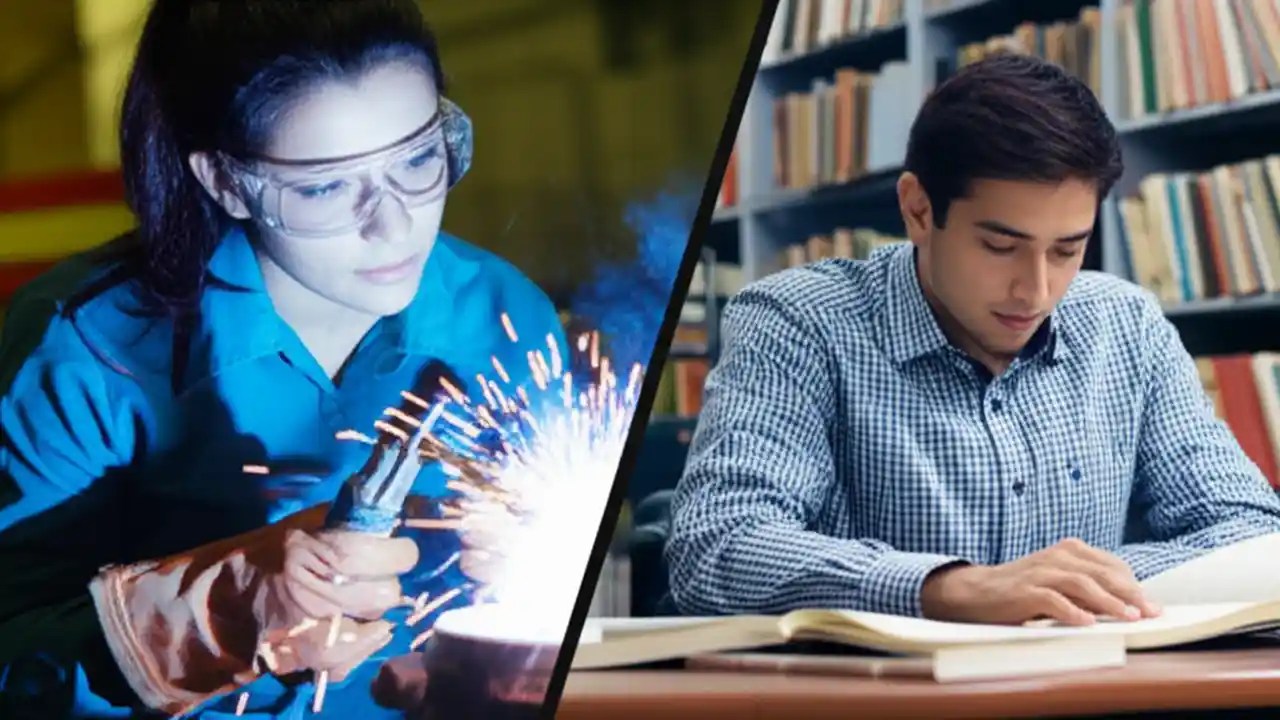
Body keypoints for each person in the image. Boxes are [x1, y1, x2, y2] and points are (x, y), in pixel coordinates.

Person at [0, 1, 568, 718]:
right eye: (327, 186)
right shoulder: (90, 347)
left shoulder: (503, 317)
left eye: (419, 158)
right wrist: (218, 617)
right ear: (226, 182)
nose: (395, 225)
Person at [665, 53, 1280, 627]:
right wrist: (953, 588)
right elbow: (719, 543)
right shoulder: (799, 323)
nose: (1035, 291)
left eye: (1068, 250)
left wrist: (1077, 586)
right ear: (918, 210)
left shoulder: (1128, 328)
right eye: (1000, 246)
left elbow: (1248, 530)